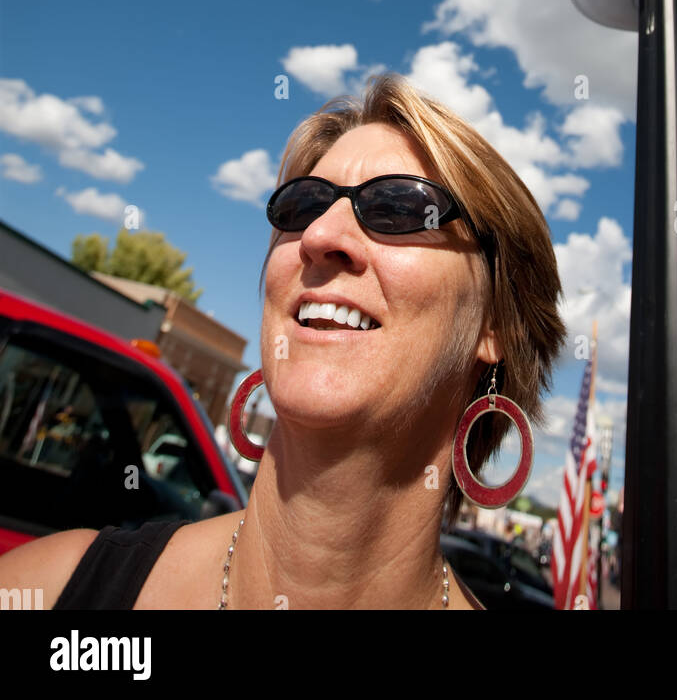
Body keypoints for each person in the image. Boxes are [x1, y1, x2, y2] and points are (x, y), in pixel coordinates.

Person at [0, 72, 566, 609]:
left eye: (398, 207)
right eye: (301, 206)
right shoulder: (49, 589)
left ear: (493, 322)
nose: (318, 235)